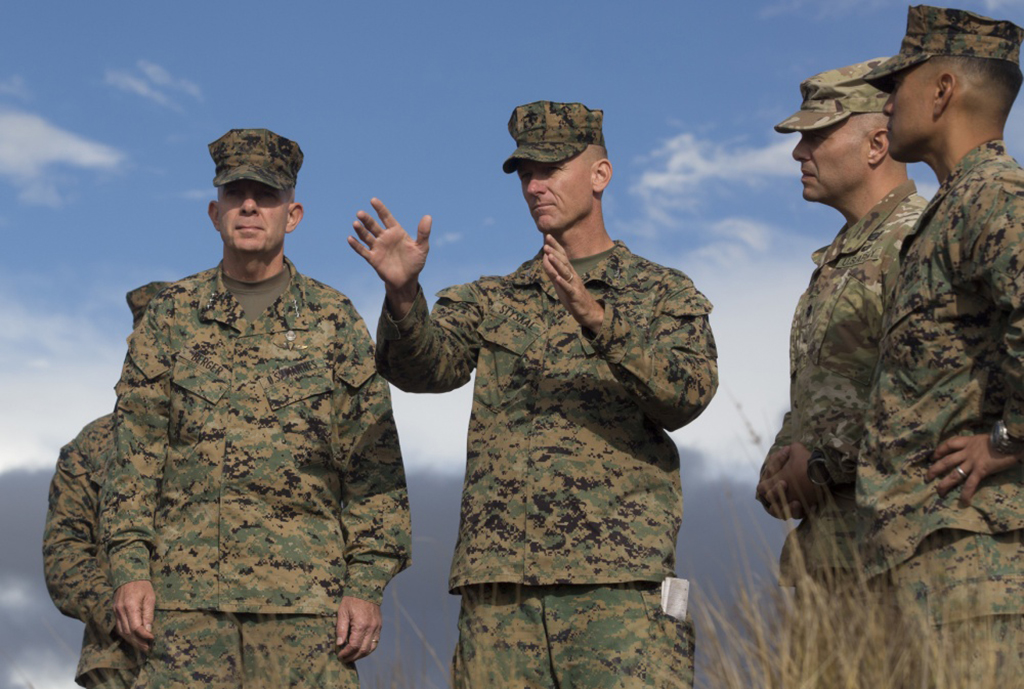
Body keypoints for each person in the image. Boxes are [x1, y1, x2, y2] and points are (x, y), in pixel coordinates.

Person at [349, 101, 718, 688]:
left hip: (617, 587)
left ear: (600, 174)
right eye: (526, 173)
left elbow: (687, 394)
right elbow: (424, 369)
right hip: (501, 593)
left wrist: (598, 319)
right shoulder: (493, 298)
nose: (535, 186)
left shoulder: (660, 292)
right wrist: (403, 297)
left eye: (551, 169)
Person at [100, 128, 411, 689]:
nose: (249, 206)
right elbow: (134, 458)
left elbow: (374, 466)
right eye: (235, 194)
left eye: (265, 195)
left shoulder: (332, 321)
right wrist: (128, 570)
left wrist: (366, 585)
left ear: (292, 216)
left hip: (308, 615)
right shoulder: (171, 317)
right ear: (214, 213)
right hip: (184, 611)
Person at [858, 4, 1024, 674]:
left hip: (976, 557)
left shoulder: (996, 196)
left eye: (897, 84)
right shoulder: (952, 209)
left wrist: (1009, 438)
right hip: (923, 557)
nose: (886, 104)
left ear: (943, 90)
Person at [756, 59, 926, 590]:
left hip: (900, 555)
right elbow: (828, 394)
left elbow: (934, 383)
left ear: (877, 144)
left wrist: (822, 462)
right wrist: (783, 458)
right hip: (830, 559)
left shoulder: (919, 240)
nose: (798, 153)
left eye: (816, 136)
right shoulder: (840, 260)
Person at [43, 281, 168, 689]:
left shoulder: (241, 436)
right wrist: (115, 611)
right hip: (121, 662)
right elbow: (63, 552)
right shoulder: (92, 444)